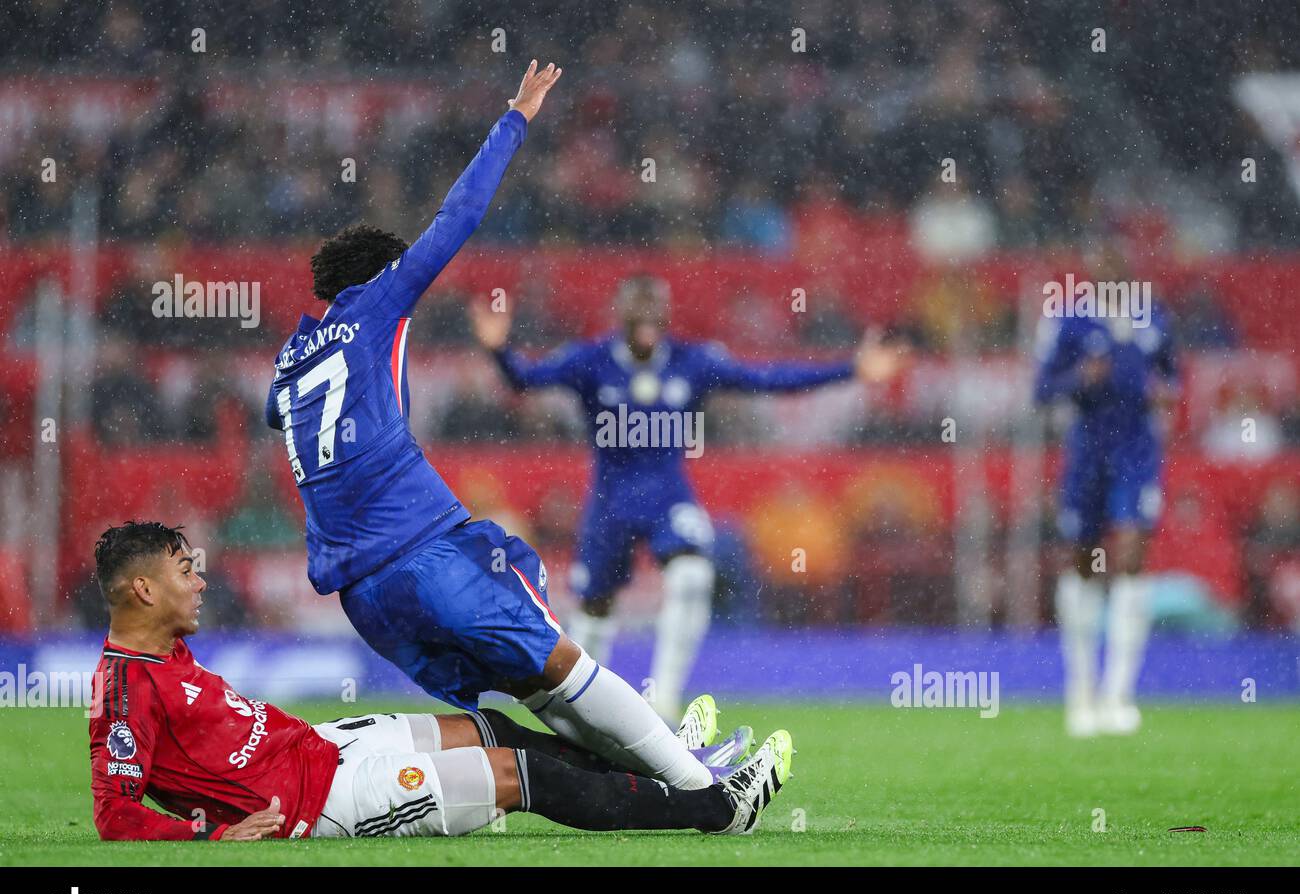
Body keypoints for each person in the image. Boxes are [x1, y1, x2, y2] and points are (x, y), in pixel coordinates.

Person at [267, 61, 743, 790]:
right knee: (559, 659)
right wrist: (515, 116)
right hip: (423, 549)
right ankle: (707, 788)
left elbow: (280, 414)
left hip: (363, 598)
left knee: (531, 686)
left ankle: (651, 777)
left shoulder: (288, 363)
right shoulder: (380, 299)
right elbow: (459, 215)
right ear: (378, 274)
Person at [88, 521, 792, 841]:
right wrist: (211, 839)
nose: (201, 580)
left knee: (497, 726)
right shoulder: (123, 690)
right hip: (321, 801)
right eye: (186, 571)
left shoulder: (161, 651)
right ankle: (712, 809)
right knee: (518, 775)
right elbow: (115, 814)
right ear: (144, 590)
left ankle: (676, 764)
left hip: (324, 745)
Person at [472, 275, 905, 718]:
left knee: (692, 576)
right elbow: (524, 380)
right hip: (610, 502)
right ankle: (588, 710)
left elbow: (770, 380)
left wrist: (850, 369)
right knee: (593, 610)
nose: (646, 316)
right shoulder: (591, 360)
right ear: (619, 313)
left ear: (666, 312)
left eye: (654, 306)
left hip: (667, 495)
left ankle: (663, 698)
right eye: (636, 307)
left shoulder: (690, 362)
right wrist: (499, 350)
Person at [1034, 244, 1179, 736]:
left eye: (1118, 264)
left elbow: (1172, 377)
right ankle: (1081, 689)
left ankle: (1119, 693)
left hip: (1137, 453)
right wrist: (1080, 378)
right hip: (1088, 453)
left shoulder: (1152, 318)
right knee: (1083, 563)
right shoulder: (1070, 322)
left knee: (1133, 555)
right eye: (1102, 265)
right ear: (1091, 272)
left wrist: (1164, 393)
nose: (1111, 271)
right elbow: (1041, 391)